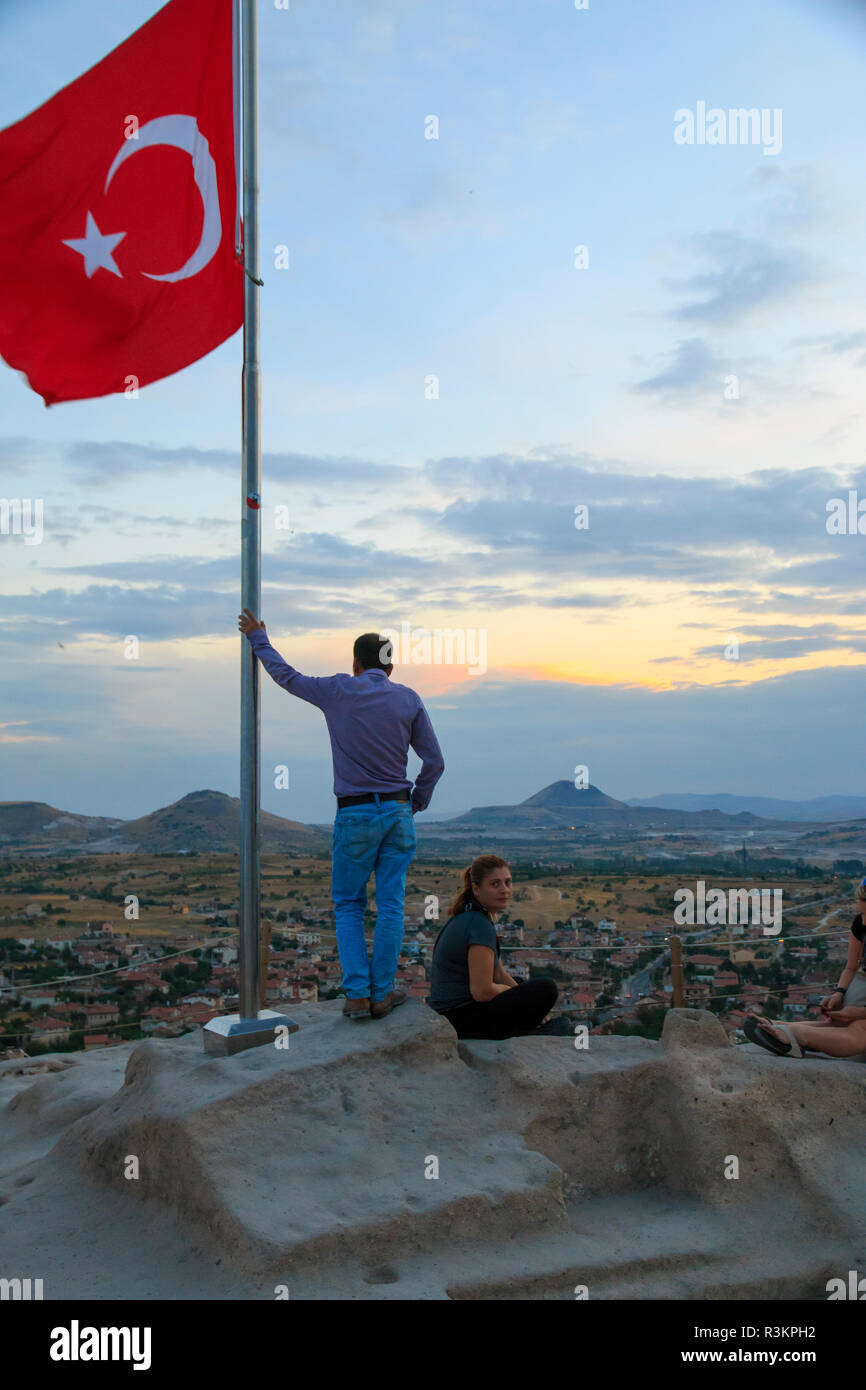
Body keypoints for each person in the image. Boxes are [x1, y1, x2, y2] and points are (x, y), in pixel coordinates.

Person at [238, 611, 445, 1021]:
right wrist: (415, 802)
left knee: (349, 905)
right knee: (390, 904)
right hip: (398, 812)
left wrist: (259, 638)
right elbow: (434, 762)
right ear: (390, 666)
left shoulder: (337, 691)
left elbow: (287, 677)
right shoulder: (408, 698)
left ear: (355, 663)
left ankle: (356, 997)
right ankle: (382, 994)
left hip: (355, 814)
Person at [427, 854, 559, 1039]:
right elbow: (481, 992)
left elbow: (498, 974)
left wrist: (520, 995)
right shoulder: (478, 924)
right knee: (547, 988)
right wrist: (515, 995)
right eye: (495, 884)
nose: (505, 890)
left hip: (453, 1013)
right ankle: (528, 1032)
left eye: (508, 882)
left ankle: (530, 1029)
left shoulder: (470, 916)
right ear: (476, 889)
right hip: (460, 1019)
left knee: (520, 984)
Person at [744, 878, 866, 1060]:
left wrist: (859, 1012)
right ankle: (784, 1028)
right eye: (860, 903)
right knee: (839, 1024)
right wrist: (839, 993)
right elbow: (851, 967)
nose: (861, 913)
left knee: (860, 1029)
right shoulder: (860, 923)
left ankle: (797, 1036)